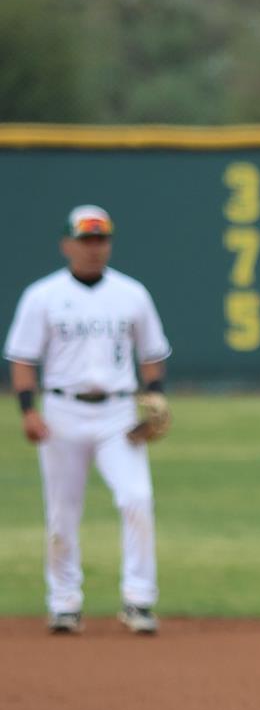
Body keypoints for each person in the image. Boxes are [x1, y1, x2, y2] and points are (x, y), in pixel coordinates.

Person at [6, 204, 173, 635]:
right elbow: (23, 359)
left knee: (136, 499)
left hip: (118, 413)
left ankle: (139, 600)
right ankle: (64, 602)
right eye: (85, 240)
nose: (94, 248)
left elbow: (152, 356)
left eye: (100, 239)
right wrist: (28, 410)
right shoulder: (42, 296)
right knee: (62, 513)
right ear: (67, 245)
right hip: (62, 411)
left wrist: (154, 398)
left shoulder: (132, 294)